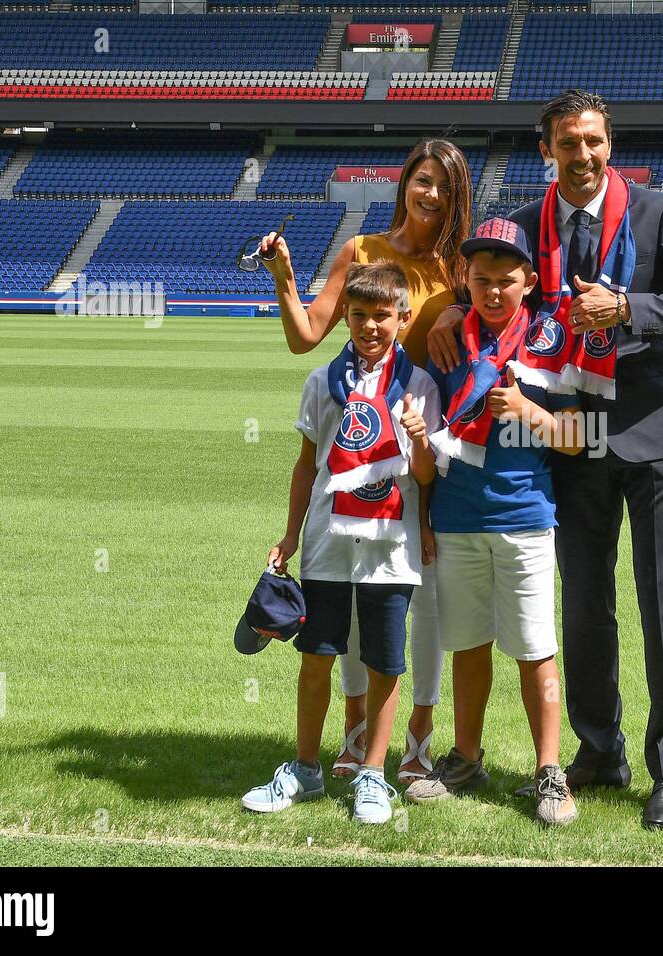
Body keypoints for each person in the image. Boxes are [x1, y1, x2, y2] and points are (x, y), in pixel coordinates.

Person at [427, 90, 663, 829]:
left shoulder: (658, 213)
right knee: (585, 607)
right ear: (548, 151)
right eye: (569, 144)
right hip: (566, 440)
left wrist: (631, 309)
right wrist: (445, 309)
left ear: (609, 143)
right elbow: (491, 292)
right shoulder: (528, 226)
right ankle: (599, 749)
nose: (584, 156)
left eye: (594, 142)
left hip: (654, 437)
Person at [259, 139, 472, 782]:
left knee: (422, 598)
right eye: (420, 180)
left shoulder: (461, 266)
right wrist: (284, 277)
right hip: (356, 448)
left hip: (429, 443)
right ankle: (356, 737)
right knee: (354, 597)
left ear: (456, 194)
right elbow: (306, 337)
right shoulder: (361, 252)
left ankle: (419, 740)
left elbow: (494, 318)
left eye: (441, 184)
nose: (428, 193)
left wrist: (460, 305)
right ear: (404, 183)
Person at [241, 262, 441, 825]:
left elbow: (426, 476)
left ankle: (374, 776)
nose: (370, 326)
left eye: (383, 315)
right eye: (359, 315)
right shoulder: (320, 384)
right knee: (316, 658)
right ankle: (306, 770)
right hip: (327, 541)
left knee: (384, 663)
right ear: (345, 318)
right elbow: (307, 467)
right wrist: (288, 534)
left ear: (402, 318)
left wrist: (421, 436)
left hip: (390, 546)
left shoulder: (419, 385)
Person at [405, 218, 585, 826]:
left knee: (536, 648)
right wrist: (426, 518)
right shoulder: (447, 341)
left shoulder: (549, 344)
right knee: (467, 644)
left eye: (506, 280)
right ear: (466, 282)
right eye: (480, 280)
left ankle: (549, 772)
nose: (493, 291)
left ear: (529, 281)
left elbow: (578, 441)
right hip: (456, 520)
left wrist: (529, 409)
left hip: (525, 520)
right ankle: (466, 756)